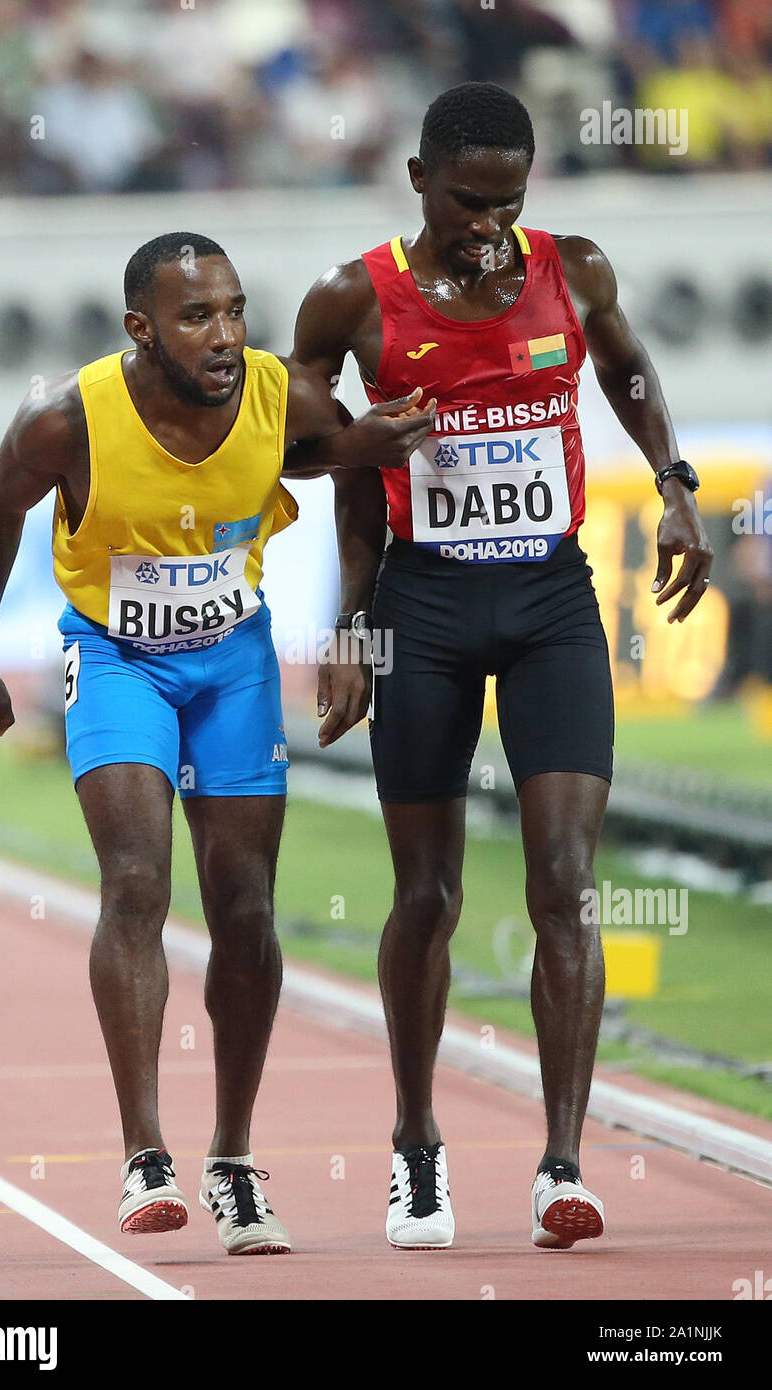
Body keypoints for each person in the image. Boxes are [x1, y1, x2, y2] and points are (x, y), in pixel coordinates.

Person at [0, 231, 434, 1256]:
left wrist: (354, 619)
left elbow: (353, 462)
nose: (223, 335)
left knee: (247, 908)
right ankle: (143, 1156)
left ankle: (231, 1159)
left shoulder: (276, 394)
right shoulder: (67, 418)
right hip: (116, 657)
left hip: (234, 660)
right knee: (134, 881)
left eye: (233, 310)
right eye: (194, 317)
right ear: (140, 328)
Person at [293, 83, 713, 1250]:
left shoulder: (570, 268)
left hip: (549, 600)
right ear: (419, 179)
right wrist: (350, 622)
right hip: (420, 606)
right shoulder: (350, 298)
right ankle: (416, 1147)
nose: (489, 223)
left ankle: (560, 1164)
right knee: (424, 894)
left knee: (565, 878)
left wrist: (674, 482)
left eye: (509, 199)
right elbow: (302, 447)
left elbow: (625, 372)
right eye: (469, 201)